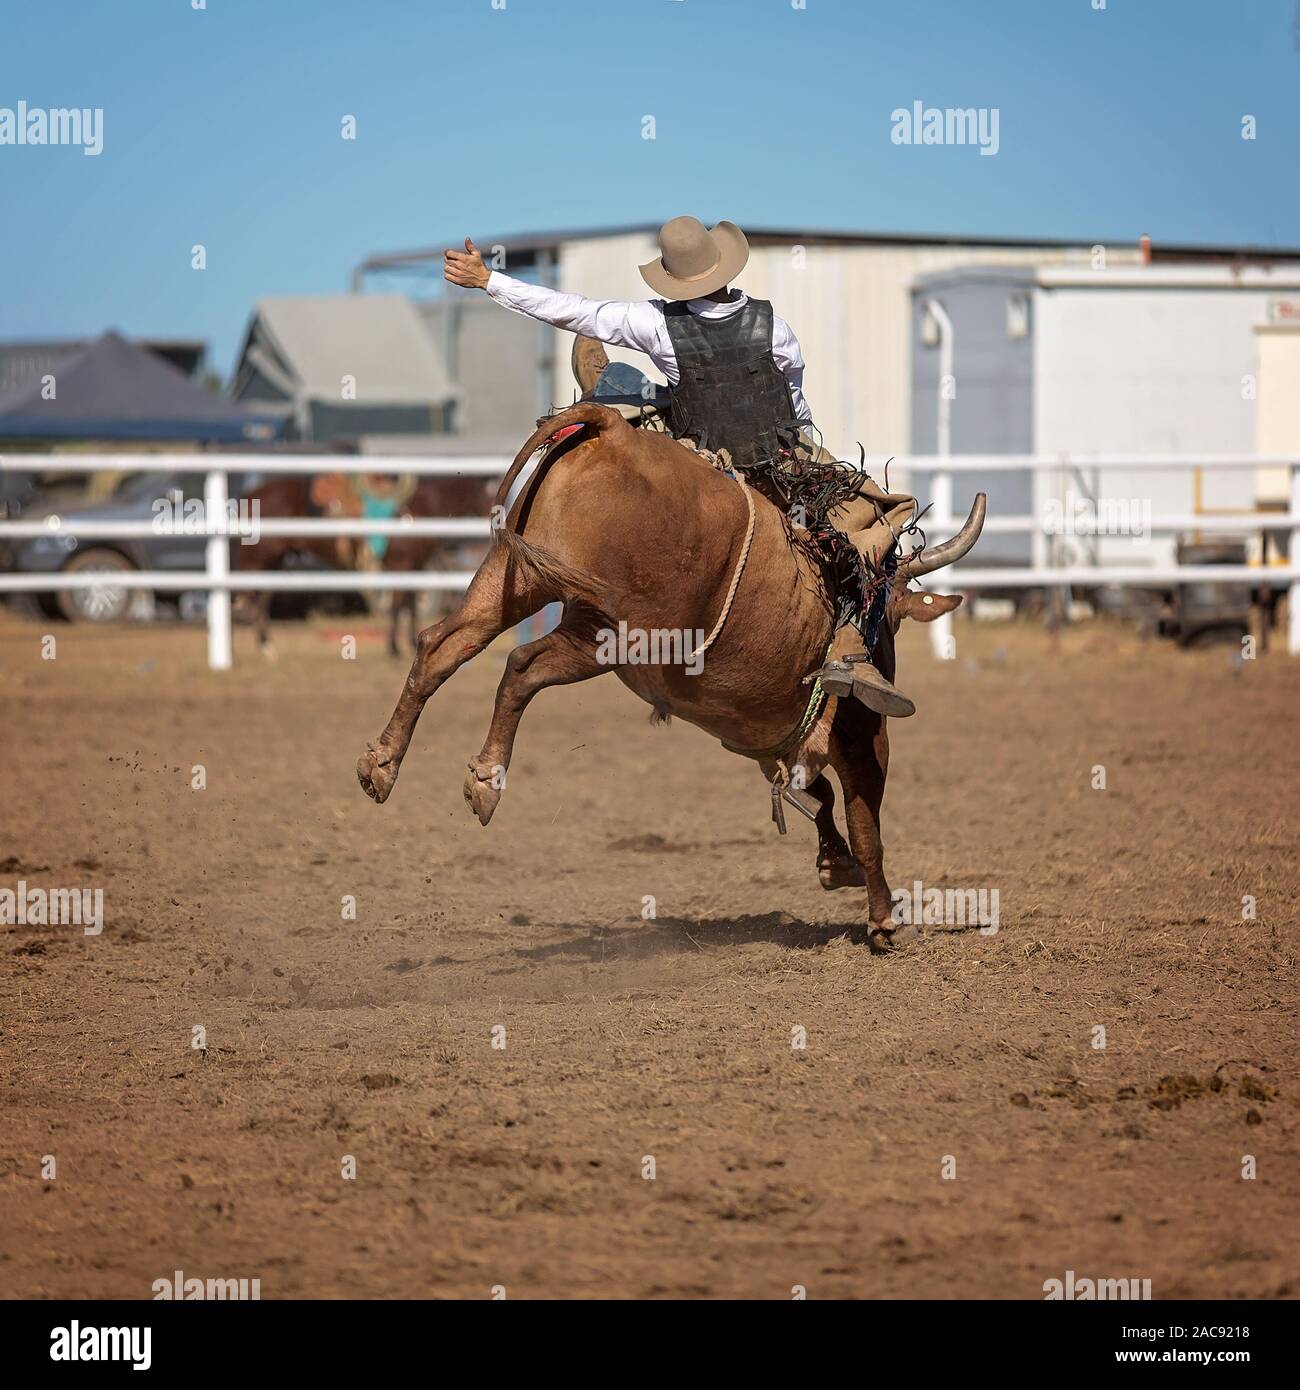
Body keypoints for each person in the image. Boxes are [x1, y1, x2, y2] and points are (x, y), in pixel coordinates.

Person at [444, 217, 917, 717]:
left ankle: (601, 396)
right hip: (782, 464)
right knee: (870, 522)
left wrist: (489, 280)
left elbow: (573, 312)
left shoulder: (656, 325)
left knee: (629, 392)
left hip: (707, 461)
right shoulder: (775, 326)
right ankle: (849, 647)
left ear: (671, 277)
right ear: (724, 266)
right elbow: (796, 407)